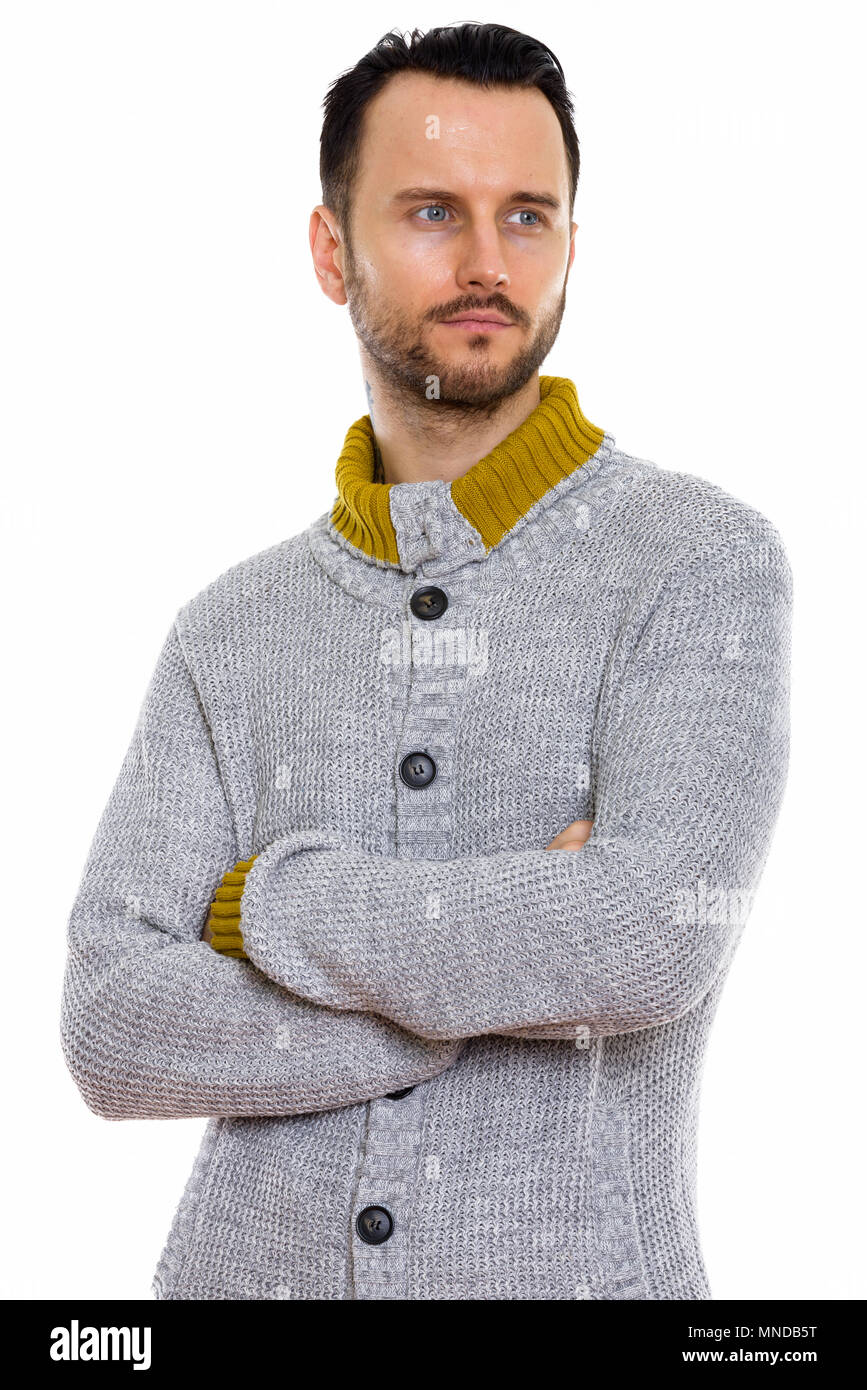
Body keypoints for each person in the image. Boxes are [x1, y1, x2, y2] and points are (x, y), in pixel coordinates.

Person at [60, 22, 792, 1301]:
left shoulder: (699, 566)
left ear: (573, 244)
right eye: (432, 212)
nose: (484, 263)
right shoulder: (227, 629)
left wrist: (264, 907)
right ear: (332, 251)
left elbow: (643, 936)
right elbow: (116, 1029)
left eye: (527, 217)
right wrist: (500, 959)